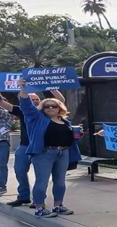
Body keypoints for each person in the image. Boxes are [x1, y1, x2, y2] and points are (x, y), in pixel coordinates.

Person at [19, 89, 77, 219]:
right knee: (42, 181)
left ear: (59, 108)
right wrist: (23, 89)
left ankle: (58, 205)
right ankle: (39, 207)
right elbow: (26, 105)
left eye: (54, 106)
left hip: (63, 152)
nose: (50, 108)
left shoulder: (65, 121)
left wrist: (76, 134)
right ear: (42, 108)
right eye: (47, 106)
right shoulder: (37, 118)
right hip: (44, 153)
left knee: (60, 182)